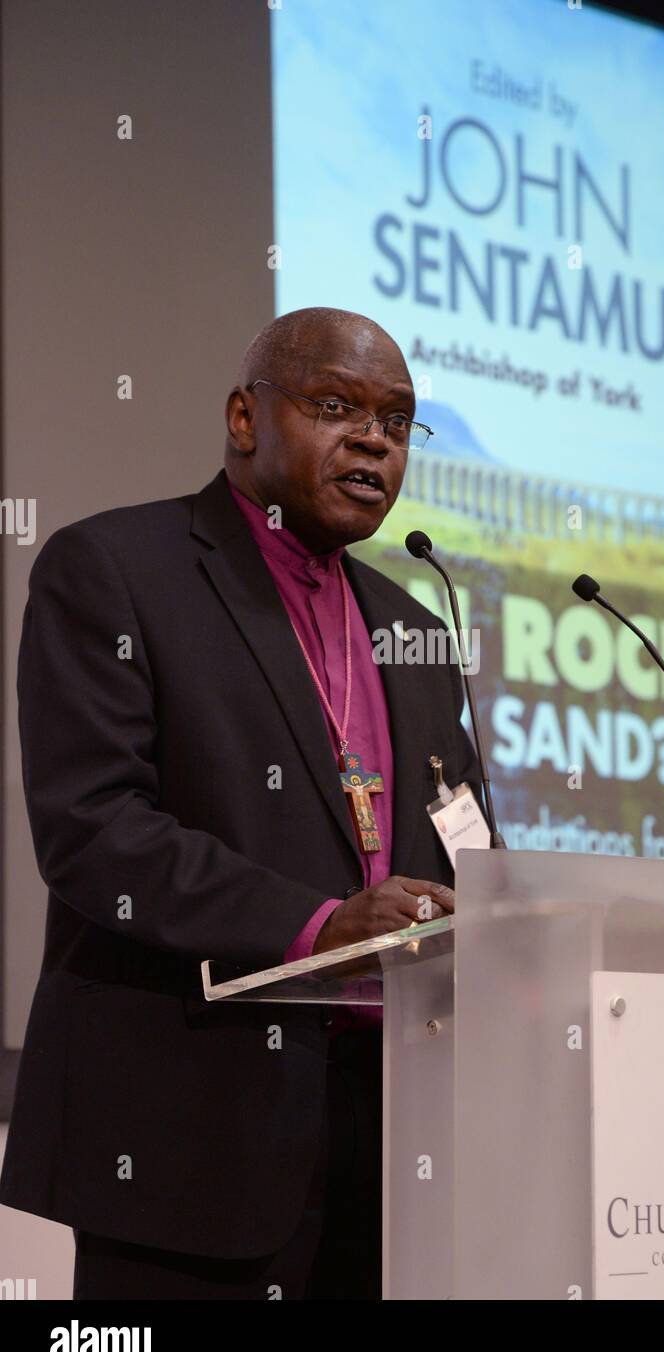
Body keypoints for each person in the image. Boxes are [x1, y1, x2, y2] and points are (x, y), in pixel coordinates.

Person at [0, 307, 481, 1300]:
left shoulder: (412, 625)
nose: (375, 440)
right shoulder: (120, 572)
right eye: (339, 404)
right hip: (189, 1138)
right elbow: (95, 828)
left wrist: (498, 923)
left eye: (398, 421)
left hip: (389, 1144)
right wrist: (318, 924)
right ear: (244, 416)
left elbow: (462, 836)